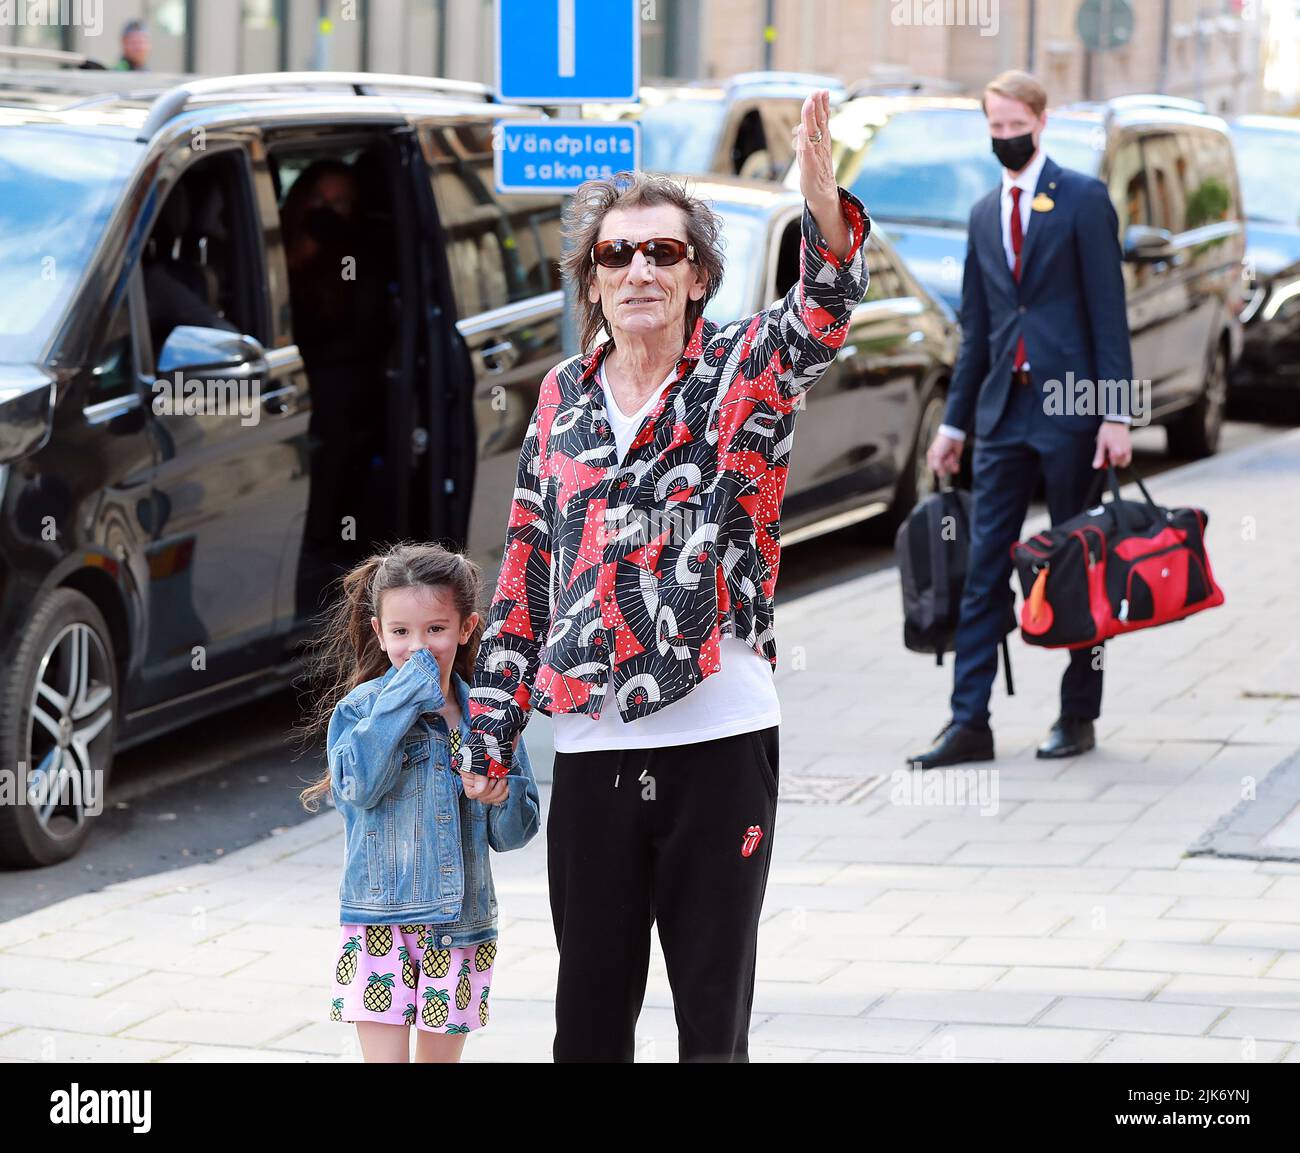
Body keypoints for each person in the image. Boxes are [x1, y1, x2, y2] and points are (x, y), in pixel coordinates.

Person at [466, 91, 870, 1062]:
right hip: (591, 745)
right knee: (589, 1024)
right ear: (591, 284)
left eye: (663, 252)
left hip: (720, 736)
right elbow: (527, 560)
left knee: (709, 1026)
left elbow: (820, 313)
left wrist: (820, 208)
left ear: (697, 278)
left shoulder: (739, 369)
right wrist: (489, 720)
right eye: (616, 254)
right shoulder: (562, 394)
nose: (639, 267)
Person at [910, 70, 1134, 770]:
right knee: (983, 568)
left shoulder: (1083, 200)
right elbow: (977, 332)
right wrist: (952, 427)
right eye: (995, 128)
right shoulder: (982, 214)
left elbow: (1108, 313)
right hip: (1002, 415)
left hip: (1071, 411)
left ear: (1042, 121)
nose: (1005, 139)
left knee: (1077, 565)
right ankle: (967, 720)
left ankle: (1077, 713)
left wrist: (1117, 414)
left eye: (1015, 127)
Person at [298, 543, 541, 1063]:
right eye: (402, 632)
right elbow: (357, 786)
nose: (418, 647)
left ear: (467, 627)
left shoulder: (487, 714)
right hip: (380, 922)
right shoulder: (360, 709)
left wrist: (500, 795)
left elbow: (516, 833)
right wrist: (404, 698)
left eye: (435, 629)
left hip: (460, 923)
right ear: (380, 632)